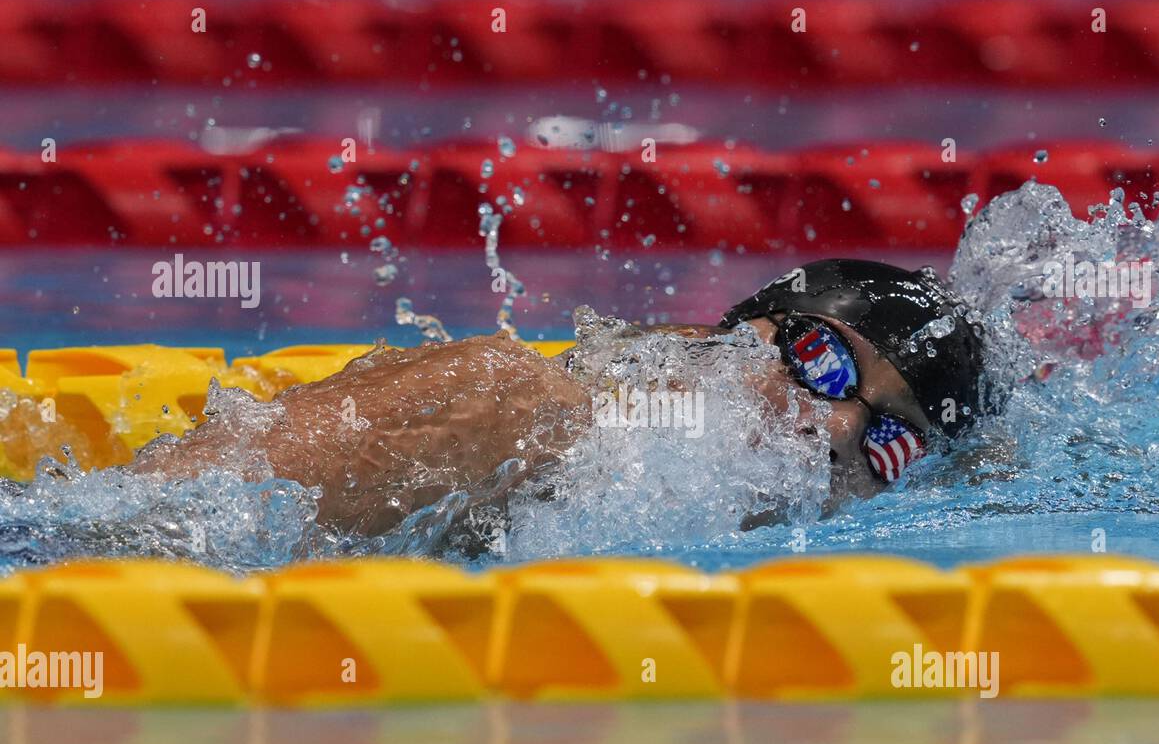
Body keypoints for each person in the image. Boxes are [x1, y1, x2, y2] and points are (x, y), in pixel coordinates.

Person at [131, 259, 990, 537]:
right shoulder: (512, 405)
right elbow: (141, 524)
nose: (839, 423)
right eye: (823, 359)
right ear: (728, 334)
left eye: (893, 439)